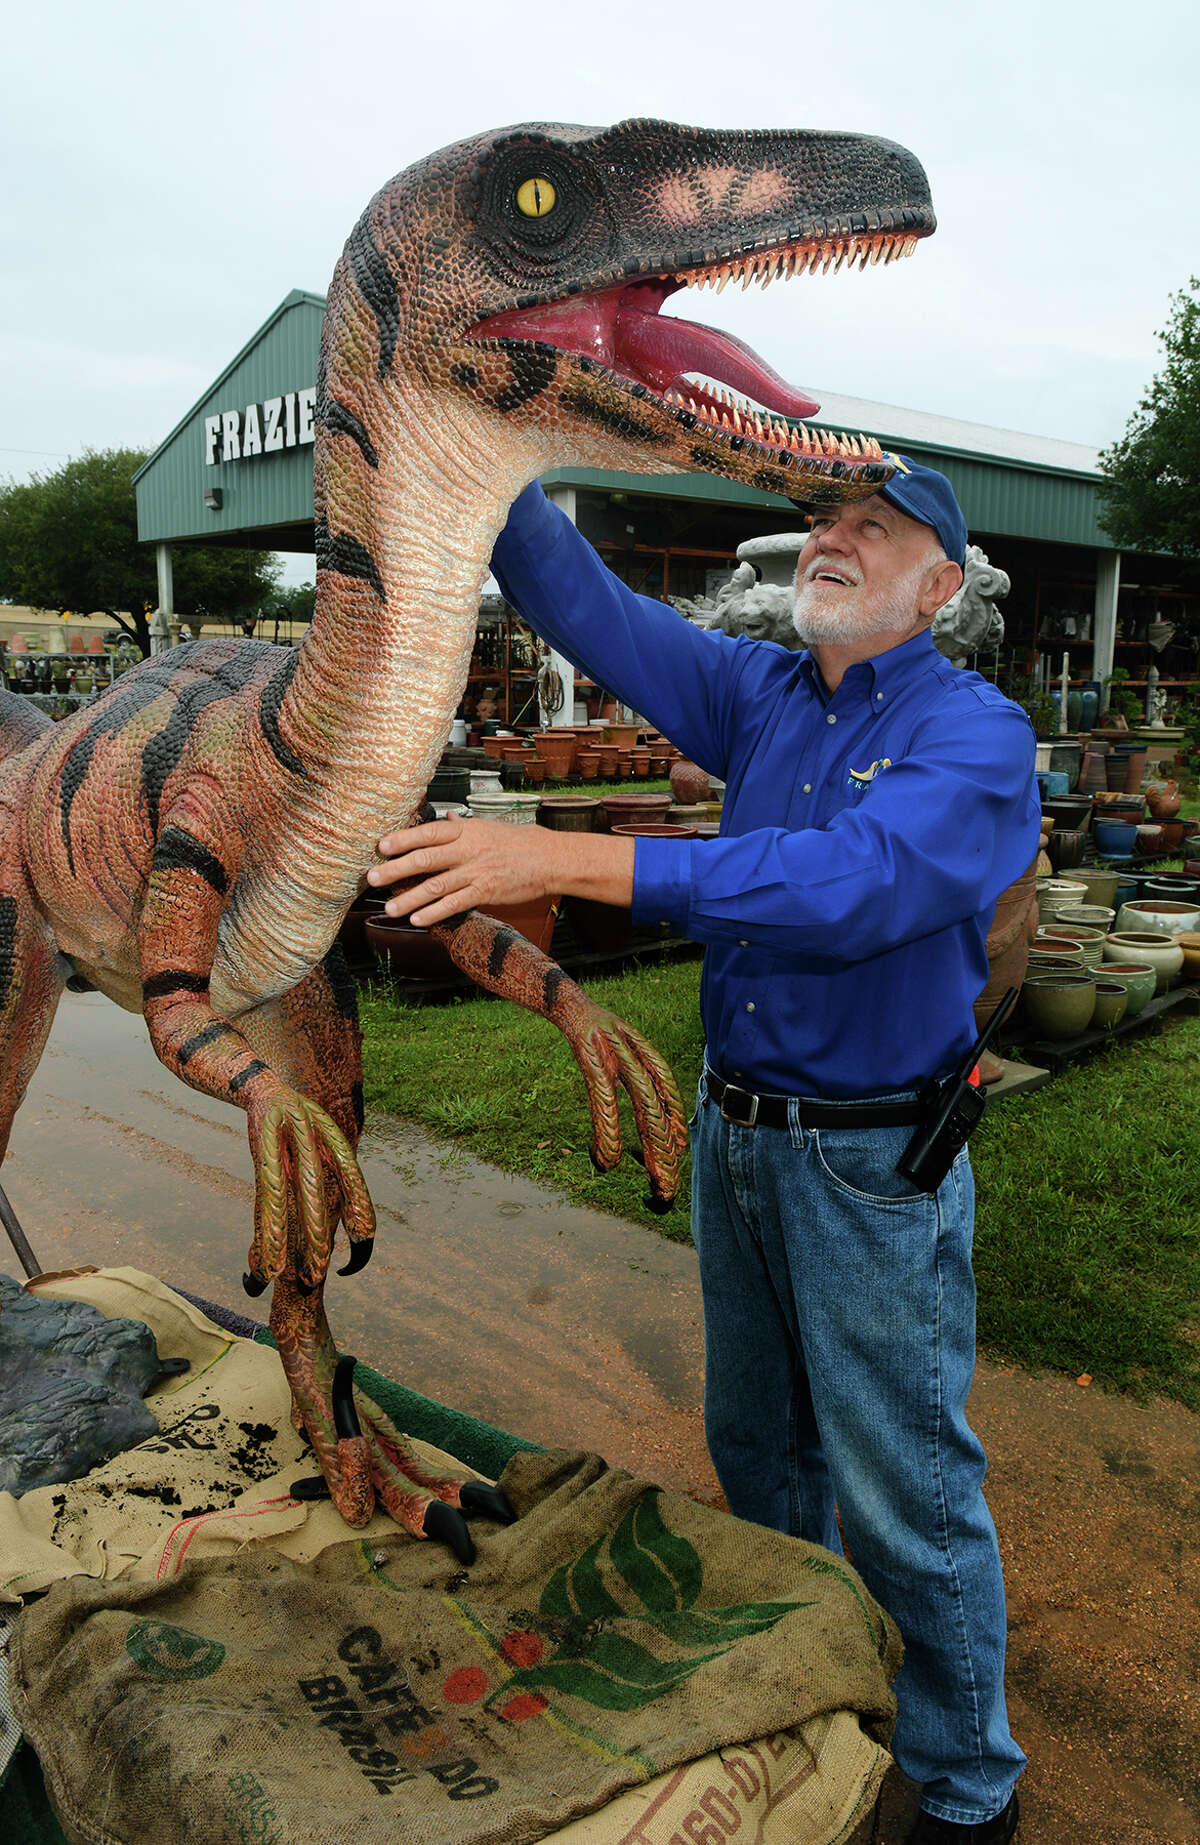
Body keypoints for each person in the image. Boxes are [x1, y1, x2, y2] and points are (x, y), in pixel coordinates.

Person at [369, 455, 1039, 1844]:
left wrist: (566, 862)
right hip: (741, 1137)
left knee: (905, 1484)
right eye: (824, 523)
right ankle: (812, 1682)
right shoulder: (767, 694)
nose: (832, 541)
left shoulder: (973, 736)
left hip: (869, 1162)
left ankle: (971, 1785)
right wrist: (480, 459)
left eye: (875, 529)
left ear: (941, 583)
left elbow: (854, 886)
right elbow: (594, 608)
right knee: (760, 1448)